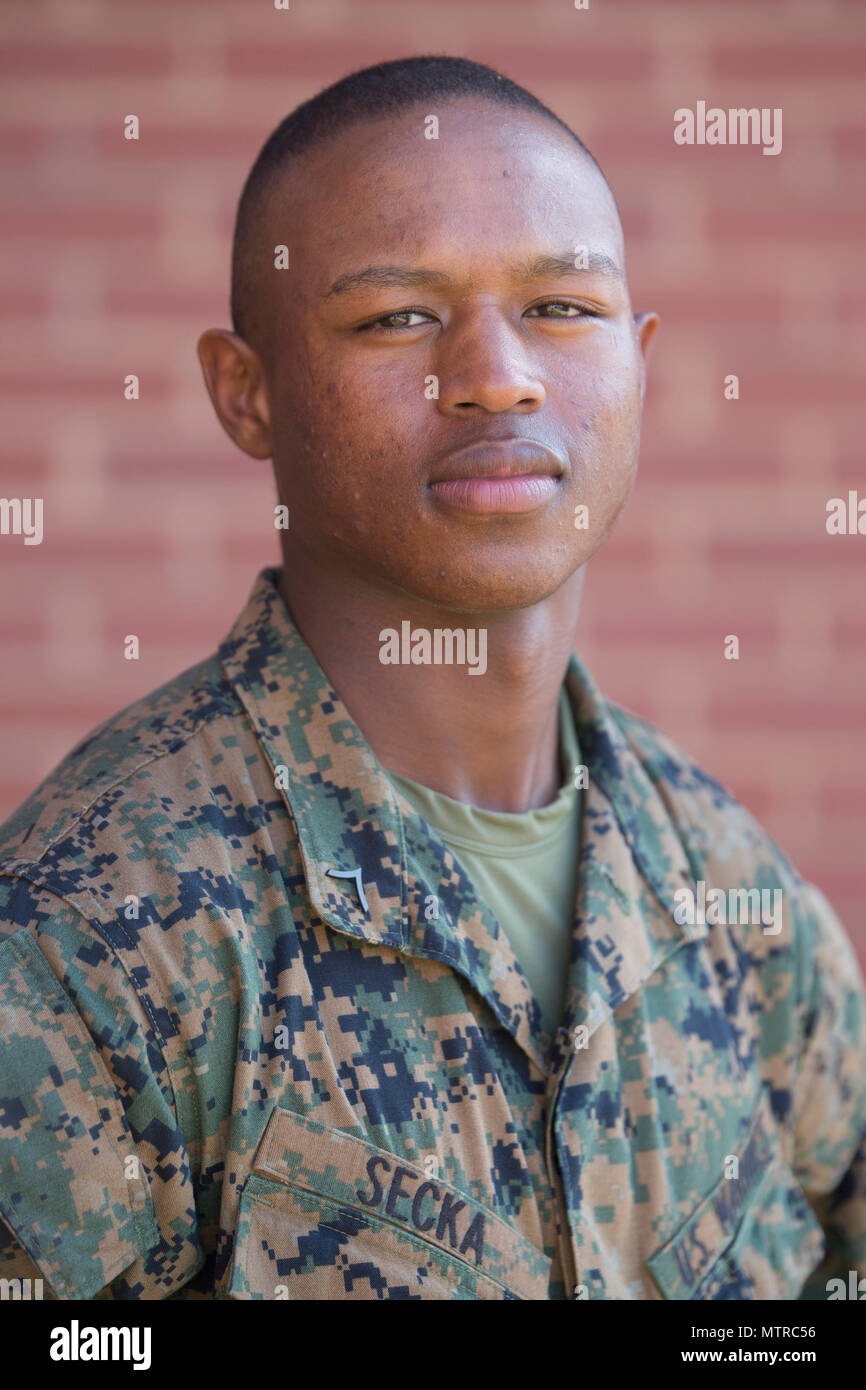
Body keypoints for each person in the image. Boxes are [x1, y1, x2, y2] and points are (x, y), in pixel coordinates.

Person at [0, 55, 863, 1302]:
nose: (496, 373)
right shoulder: (84, 942)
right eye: (397, 316)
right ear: (247, 394)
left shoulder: (730, 896)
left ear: (639, 357)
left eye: (562, 307)